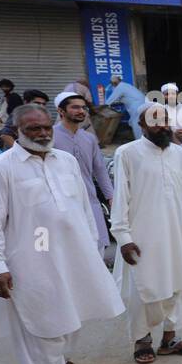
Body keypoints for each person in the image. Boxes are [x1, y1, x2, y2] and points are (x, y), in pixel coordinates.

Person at [0, 105, 124, 364]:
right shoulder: (2, 168)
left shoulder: (65, 161)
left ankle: (59, 363)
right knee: (41, 319)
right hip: (30, 259)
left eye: (45, 127)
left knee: (72, 314)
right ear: (17, 132)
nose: (41, 134)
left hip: (74, 253)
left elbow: (83, 207)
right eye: (32, 129)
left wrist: (93, 245)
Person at [111, 104, 182, 364]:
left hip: (177, 232)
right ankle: (142, 340)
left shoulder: (179, 154)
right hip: (142, 235)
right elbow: (120, 199)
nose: (162, 126)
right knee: (145, 287)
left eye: (165, 120)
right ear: (141, 125)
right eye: (154, 121)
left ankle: (170, 339)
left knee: (177, 286)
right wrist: (124, 238)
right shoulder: (127, 153)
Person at [50, 91, 113, 256]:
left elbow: (100, 170)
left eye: (83, 108)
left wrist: (111, 197)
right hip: (61, 203)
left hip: (90, 201)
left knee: (97, 249)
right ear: (61, 111)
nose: (81, 111)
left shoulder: (89, 138)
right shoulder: (49, 136)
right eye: (75, 107)